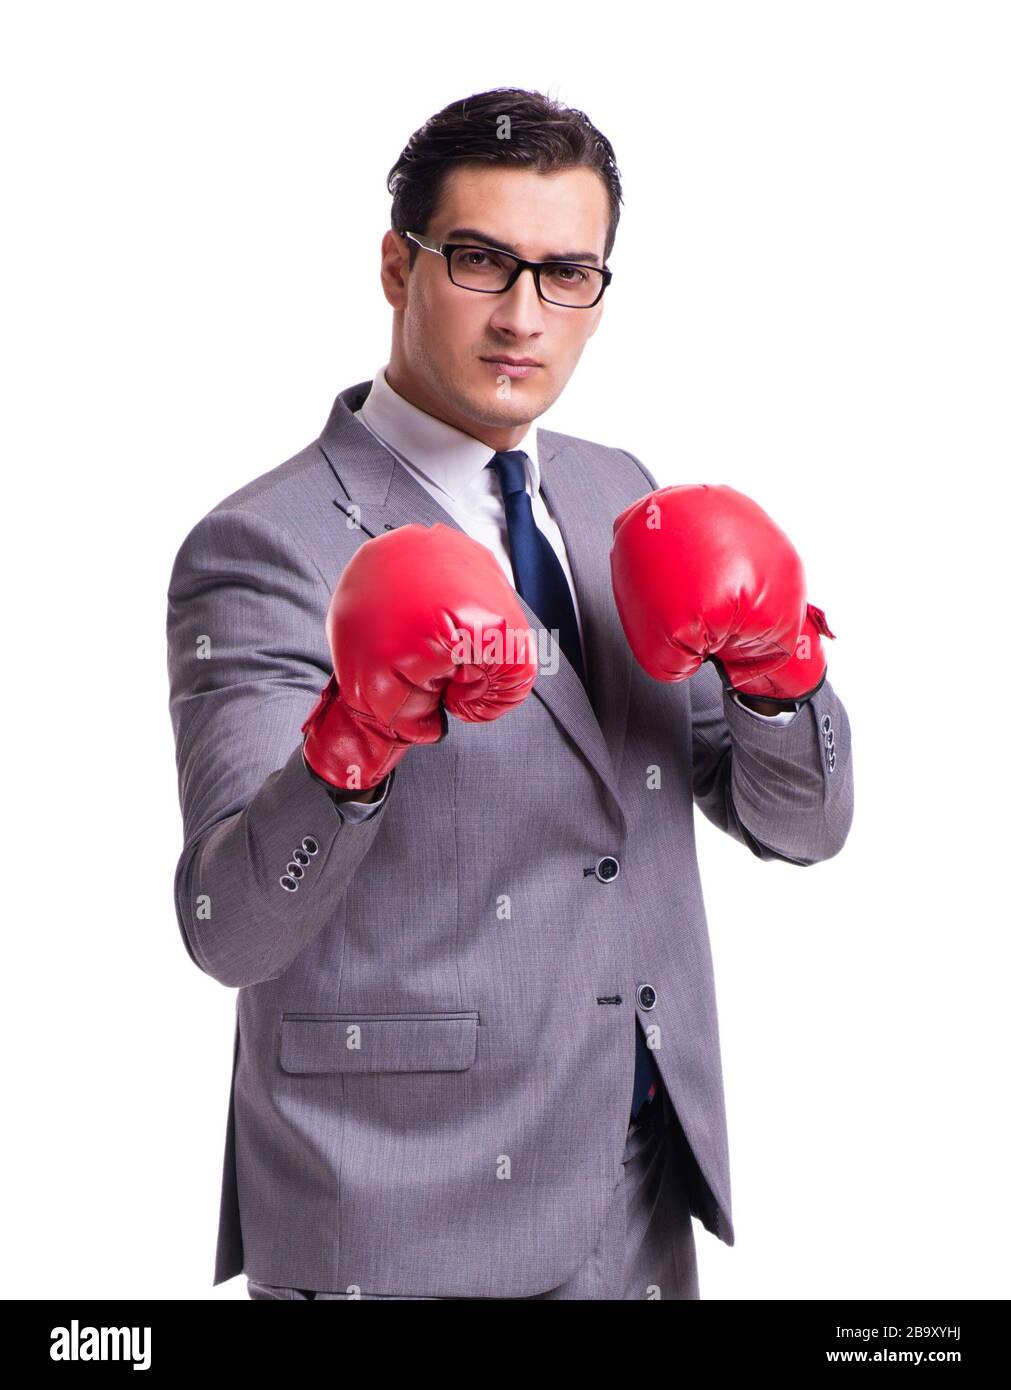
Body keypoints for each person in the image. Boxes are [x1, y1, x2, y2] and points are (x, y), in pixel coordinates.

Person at [166, 86, 854, 1301]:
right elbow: (231, 927)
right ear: (399, 265)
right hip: (394, 1211)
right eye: (482, 261)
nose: (524, 315)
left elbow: (799, 827)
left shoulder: (616, 496)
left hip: (635, 1194)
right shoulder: (263, 543)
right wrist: (354, 740)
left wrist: (780, 671)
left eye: (568, 273)